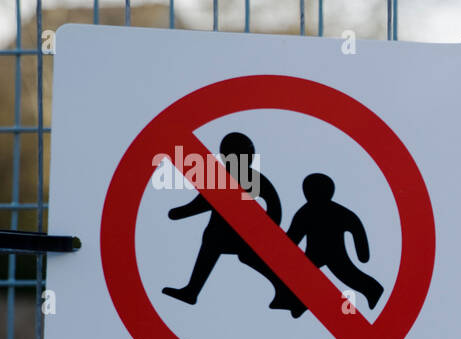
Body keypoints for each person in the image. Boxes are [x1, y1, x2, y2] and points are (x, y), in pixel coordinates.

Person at [161, 132, 298, 311]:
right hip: (232, 233)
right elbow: (204, 201)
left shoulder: (242, 178)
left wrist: (268, 231)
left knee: (218, 244)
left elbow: (273, 204)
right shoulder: (231, 178)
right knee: (220, 245)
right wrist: (181, 212)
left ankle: (285, 292)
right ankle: (192, 291)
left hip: (243, 233)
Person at [286, 172, 385, 311]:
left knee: (348, 275)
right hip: (315, 252)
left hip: (334, 252)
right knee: (301, 277)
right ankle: (298, 304)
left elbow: (356, 227)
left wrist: (362, 253)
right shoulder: (307, 212)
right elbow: (293, 235)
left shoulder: (317, 211)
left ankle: (373, 289)